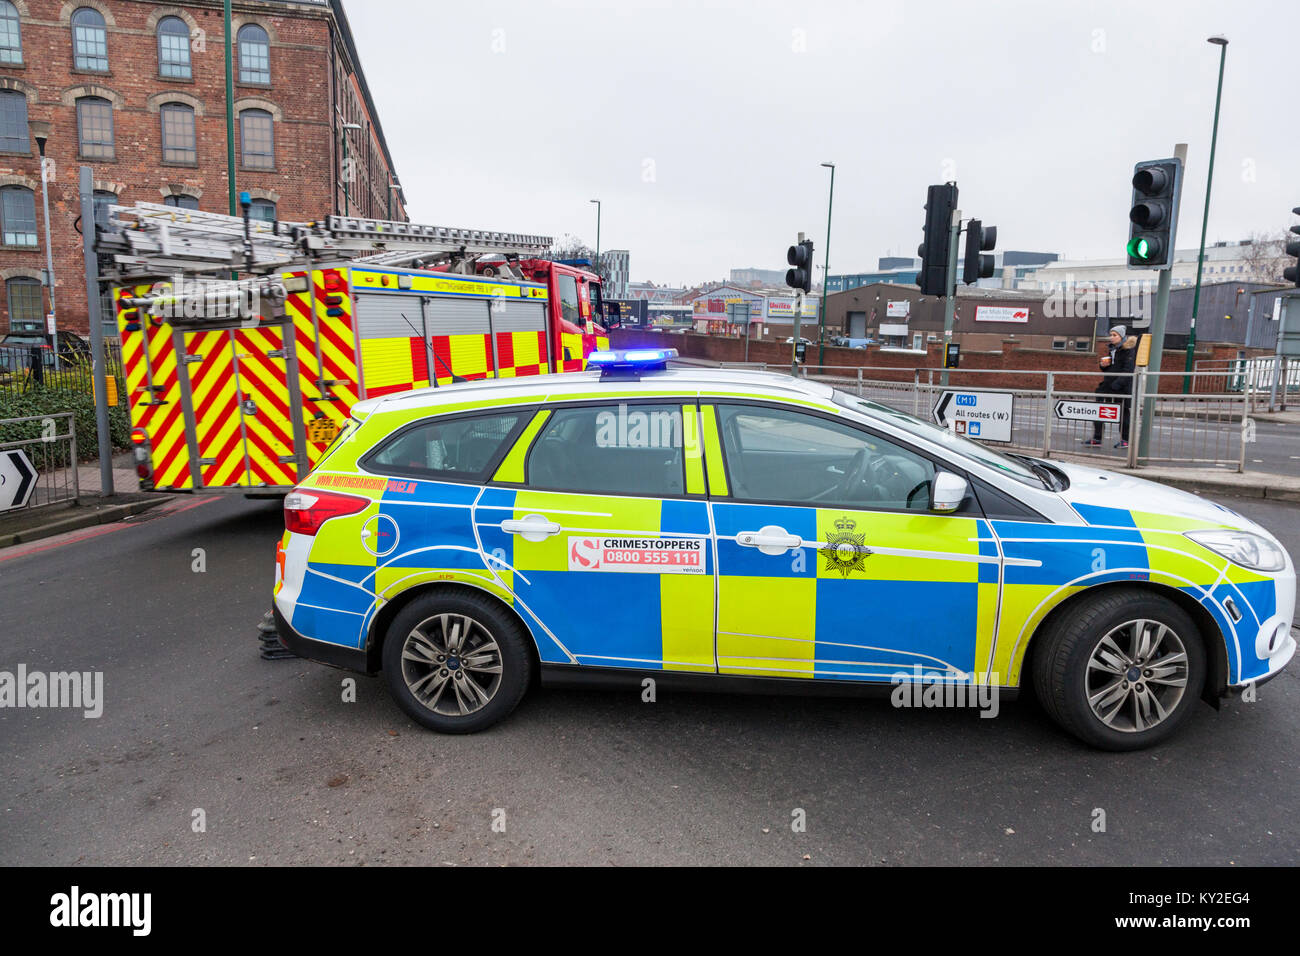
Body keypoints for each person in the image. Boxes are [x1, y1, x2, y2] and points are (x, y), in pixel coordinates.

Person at [1083, 325, 1138, 448]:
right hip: (1107, 386)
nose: (1111, 337)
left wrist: (1116, 385)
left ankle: (1125, 440)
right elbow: (1111, 369)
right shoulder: (1113, 349)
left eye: (1114, 335)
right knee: (1098, 411)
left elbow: (1128, 371)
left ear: (1122, 337)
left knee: (1123, 414)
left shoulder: (1128, 350)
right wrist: (1103, 366)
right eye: (1111, 335)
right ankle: (1097, 438)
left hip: (1122, 388)